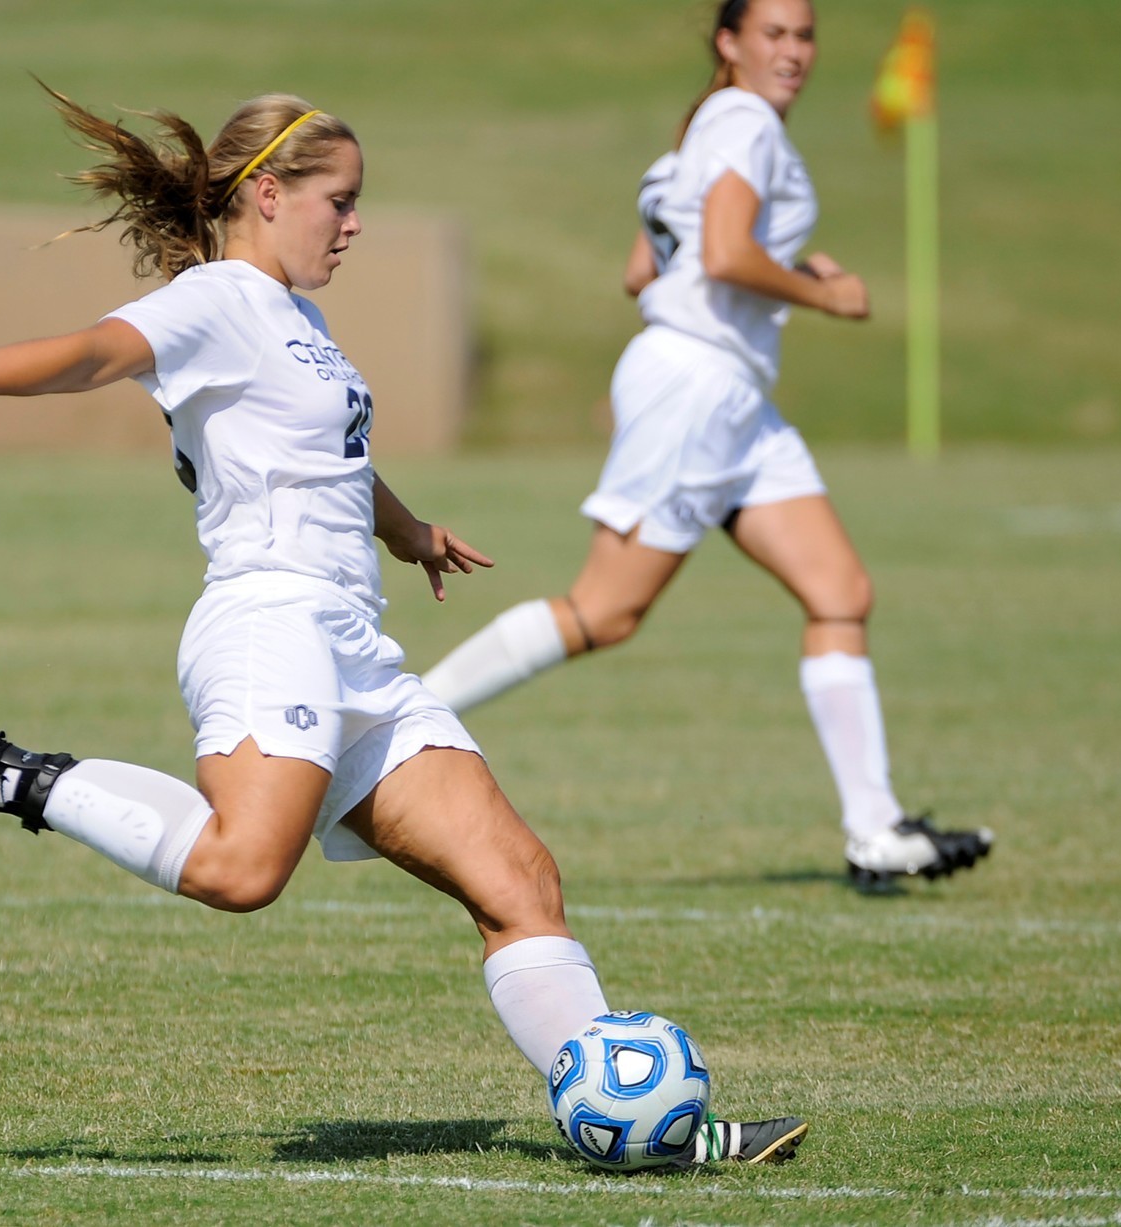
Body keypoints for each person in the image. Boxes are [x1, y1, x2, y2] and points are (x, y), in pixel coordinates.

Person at [0, 86, 806, 1166]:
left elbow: (333, 453)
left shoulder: (303, 320)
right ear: (267, 193)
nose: (353, 224)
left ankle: (640, 1126)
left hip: (354, 650)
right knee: (243, 872)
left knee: (519, 883)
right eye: (338, 202)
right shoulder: (219, 300)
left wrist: (407, 530)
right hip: (269, 624)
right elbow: (96, 352)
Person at [421, 0, 993, 891]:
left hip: (727, 399)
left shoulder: (695, 139)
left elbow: (640, 268)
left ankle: (876, 829)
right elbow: (724, 255)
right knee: (604, 611)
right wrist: (820, 289)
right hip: (699, 387)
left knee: (839, 590)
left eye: (805, 35)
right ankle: (403, 720)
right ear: (729, 43)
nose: (794, 51)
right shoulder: (747, 122)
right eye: (773, 33)